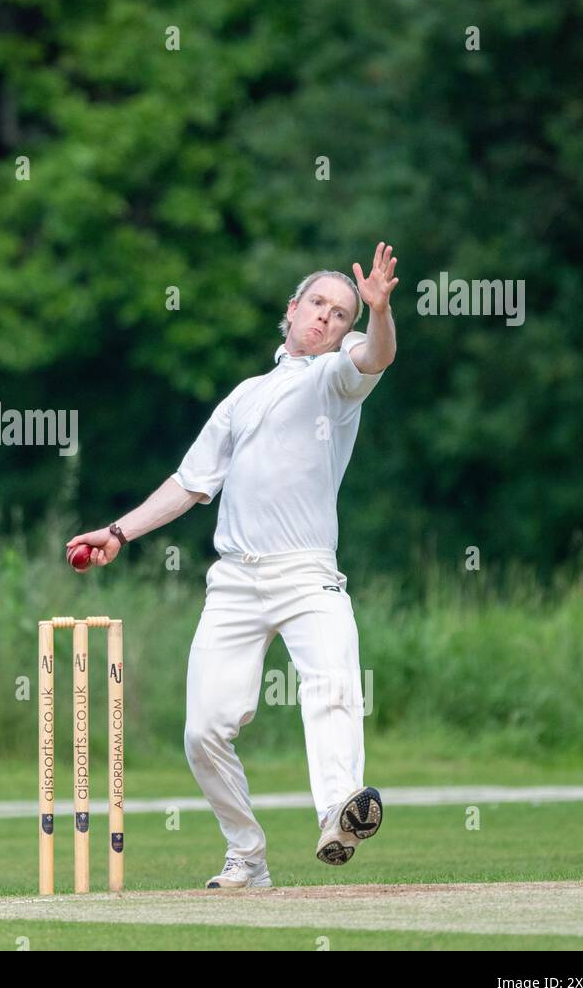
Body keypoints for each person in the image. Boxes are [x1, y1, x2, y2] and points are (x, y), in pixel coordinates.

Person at [68, 243, 399, 888]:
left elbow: (377, 355)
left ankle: (339, 810)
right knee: (202, 732)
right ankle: (246, 856)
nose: (328, 319)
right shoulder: (244, 396)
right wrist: (118, 531)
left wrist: (381, 313)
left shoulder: (336, 380)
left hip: (308, 575)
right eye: (318, 305)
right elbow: (191, 483)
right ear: (292, 310)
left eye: (342, 312)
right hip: (236, 582)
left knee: (332, 688)